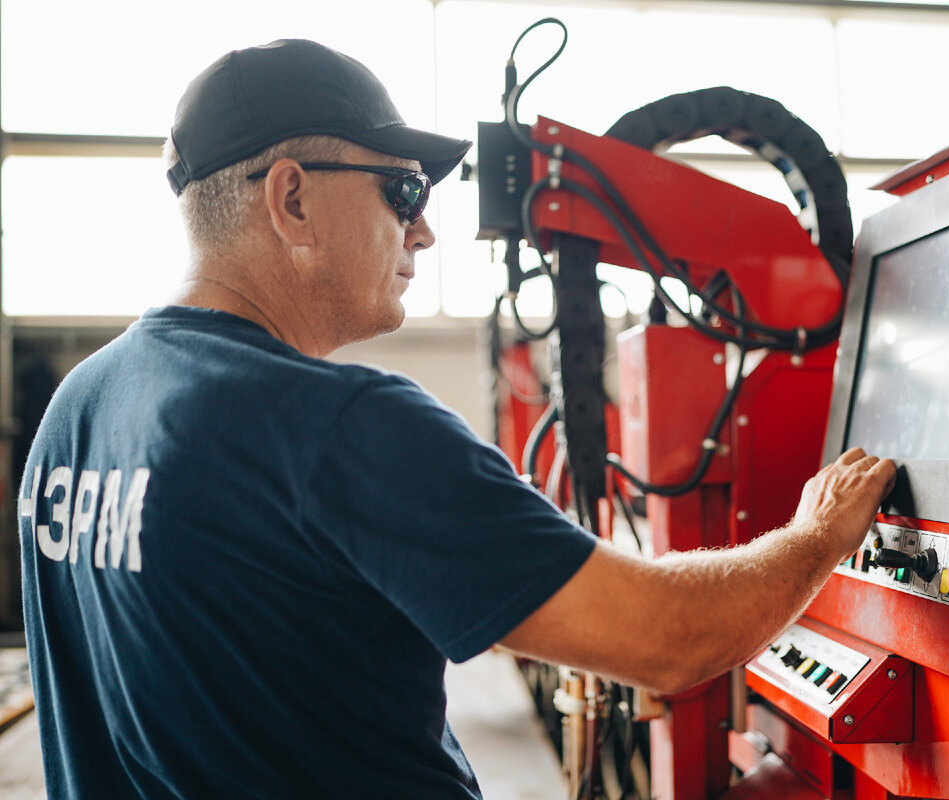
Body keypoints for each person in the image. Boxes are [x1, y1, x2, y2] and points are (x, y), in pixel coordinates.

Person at [18, 39, 896, 799]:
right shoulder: (341, 428)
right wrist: (818, 533)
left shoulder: (76, 410)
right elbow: (672, 640)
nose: (425, 230)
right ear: (290, 199)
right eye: (402, 190)